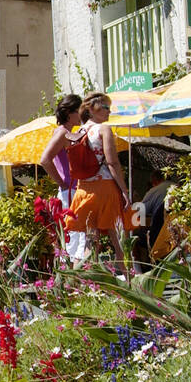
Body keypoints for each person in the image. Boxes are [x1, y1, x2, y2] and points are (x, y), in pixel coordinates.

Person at [65, 92, 130, 271]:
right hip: (105, 189)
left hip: (84, 190)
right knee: (118, 241)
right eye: (105, 107)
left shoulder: (77, 132)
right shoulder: (104, 130)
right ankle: (131, 284)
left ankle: (79, 284)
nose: (109, 111)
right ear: (91, 110)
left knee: (89, 243)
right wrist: (124, 191)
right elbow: (112, 162)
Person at [39, 95, 87, 260]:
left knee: (79, 236)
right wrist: (62, 182)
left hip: (73, 190)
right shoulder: (61, 133)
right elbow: (45, 159)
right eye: (79, 111)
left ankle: (77, 279)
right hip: (69, 191)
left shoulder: (67, 133)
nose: (82, 115)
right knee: (75, 236)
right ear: (68, 113)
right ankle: (74, 279)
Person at [141, 169, 173, 246]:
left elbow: (141, 210)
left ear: (155, 181)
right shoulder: (179, 188)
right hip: (178, 230)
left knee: (136, 236)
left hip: (158, 232)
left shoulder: (154, 190)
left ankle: (142, 257)